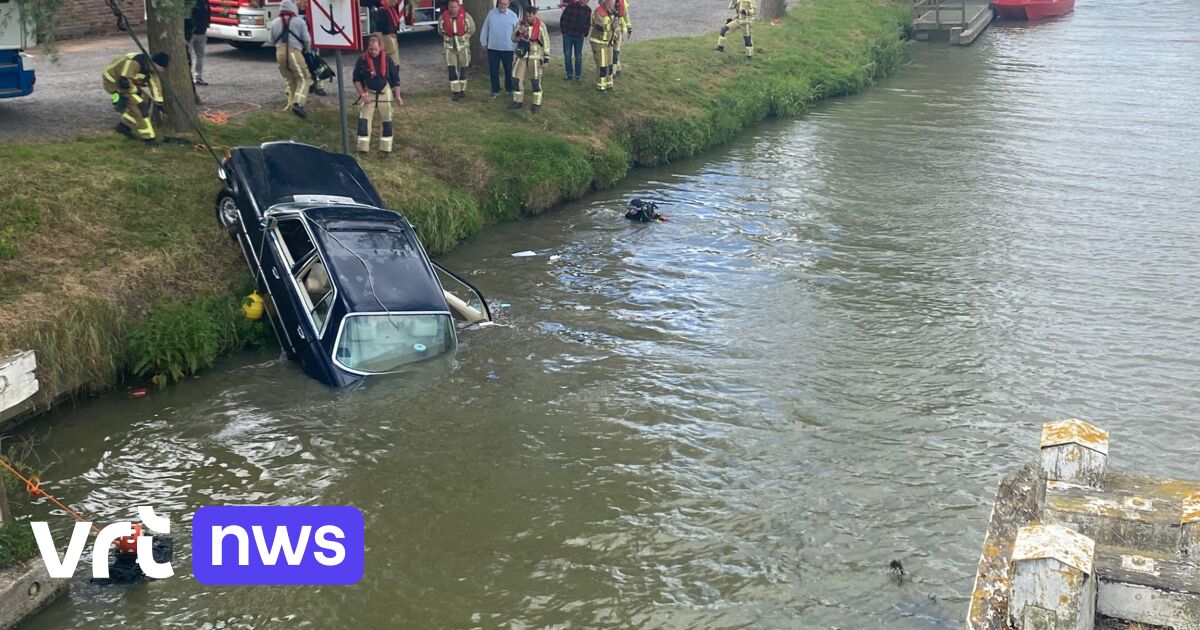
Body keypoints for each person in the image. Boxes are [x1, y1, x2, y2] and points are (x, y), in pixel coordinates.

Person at [353, 34, 403, 157]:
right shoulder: (362, 60)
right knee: (364, 121)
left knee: (387, 121)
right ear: (368, 47)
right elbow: (356, 80)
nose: (373, 52)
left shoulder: (387, 59)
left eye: (375, 49)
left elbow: (396, 79)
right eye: (371, 49)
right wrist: (362, 94)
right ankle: (362, 149)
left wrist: (398, 96)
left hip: (384, 92)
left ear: (380, 47)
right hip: (368, 93)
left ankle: (385, 149)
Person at [102, 51, 168, 144]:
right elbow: (124, 81)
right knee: (140, 106)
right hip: (114, 83)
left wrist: (159, 104)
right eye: (160, 69)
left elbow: (155, 85)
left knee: (146, 100)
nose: (161, 71)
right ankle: (148, 138)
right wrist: (136, 91)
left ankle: (124, 126)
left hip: (128, 84)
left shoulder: (152, 69)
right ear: (154, 64)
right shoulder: (135, 62)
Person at [268, 0, 312, 117]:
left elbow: (271, 40)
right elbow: (307, 39)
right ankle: (298, 104)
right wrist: (308, 50)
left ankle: (289, 106)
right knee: (304, 78)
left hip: (279, 53)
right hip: (294, 52)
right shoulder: (299, 21)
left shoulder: (274, 22)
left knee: (290, 79)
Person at [510, 6, 549, 113]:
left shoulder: (541, 26)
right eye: (526, 16)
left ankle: (536, 104)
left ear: (535, 14)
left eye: (530, 16)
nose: (528, 18)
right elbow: (513, 38)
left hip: (535, 57)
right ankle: (518, 101)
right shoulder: (521, 24)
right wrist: (518, 32)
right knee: (515, 79)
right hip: (522, 56)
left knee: (535, 82)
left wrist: (546, 59)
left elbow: (546, 42)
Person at [480, 0, 519, 99]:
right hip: (493, 48)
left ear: (508, 4)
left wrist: (517, 47)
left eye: (505, 4)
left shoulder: (513, 16)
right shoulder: (491, 14)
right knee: (493, 70)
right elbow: (485, 28)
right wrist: (483, 41)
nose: (502, 5)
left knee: (508, 69)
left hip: (508, 48)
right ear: (498, 3)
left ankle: (509, 89)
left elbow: (517, 33)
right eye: (501, 3)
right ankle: (495, 90)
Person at [438, 0, 475, 101]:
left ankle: (462, 89)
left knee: (464, 69)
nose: (452, 9)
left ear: (458, 7)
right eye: (450, 7)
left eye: (454, 7)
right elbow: (440, 31)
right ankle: (456, 91)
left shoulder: (466, 16)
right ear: (448, 7)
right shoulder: (442, 18)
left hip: (463, 48)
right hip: (450, 49)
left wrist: (464, 37)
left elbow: (472, 29)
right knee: (452, 70)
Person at [559, 0, 590, 82]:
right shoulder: (570, 6)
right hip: (568, 35)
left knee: (578, 56)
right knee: (567, 54)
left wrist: (584, 33)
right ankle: (569, 73)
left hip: (579, 37)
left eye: (586, 0)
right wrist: (564, 31)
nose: (584, 2)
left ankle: (578, 75)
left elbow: (588, 23)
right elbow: (563, 19)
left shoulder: (588, 10)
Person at [589, 0, 616, 92]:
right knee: (602, 65)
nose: (611, 6)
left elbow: (612, 28)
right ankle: (601, 87)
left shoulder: (610, 12)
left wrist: (614, 36)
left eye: (612, 4)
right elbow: (600, 26)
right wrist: (613, 25)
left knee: (609, 65)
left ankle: (609, 84)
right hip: (599, 42)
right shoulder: (598, 12)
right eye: (610, 4)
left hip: (607, 43)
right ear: (605, 3)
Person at [184, 0, 211, 86]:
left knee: (199, 56)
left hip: (201, 32)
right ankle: (189, 78)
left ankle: (198, 77)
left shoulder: (205, 2)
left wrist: (207, 25)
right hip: (190, 33)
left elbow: (208, 13)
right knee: (188, 56)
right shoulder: (188, 2)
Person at [612, 0, 630, 77]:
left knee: (616, 52)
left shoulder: (622, 3)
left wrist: (629, 27)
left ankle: (614, 71)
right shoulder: (605, 1)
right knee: (609, 51)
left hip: (619, 30)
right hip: (608, 29)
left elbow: (626, 15)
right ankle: (615, 68)